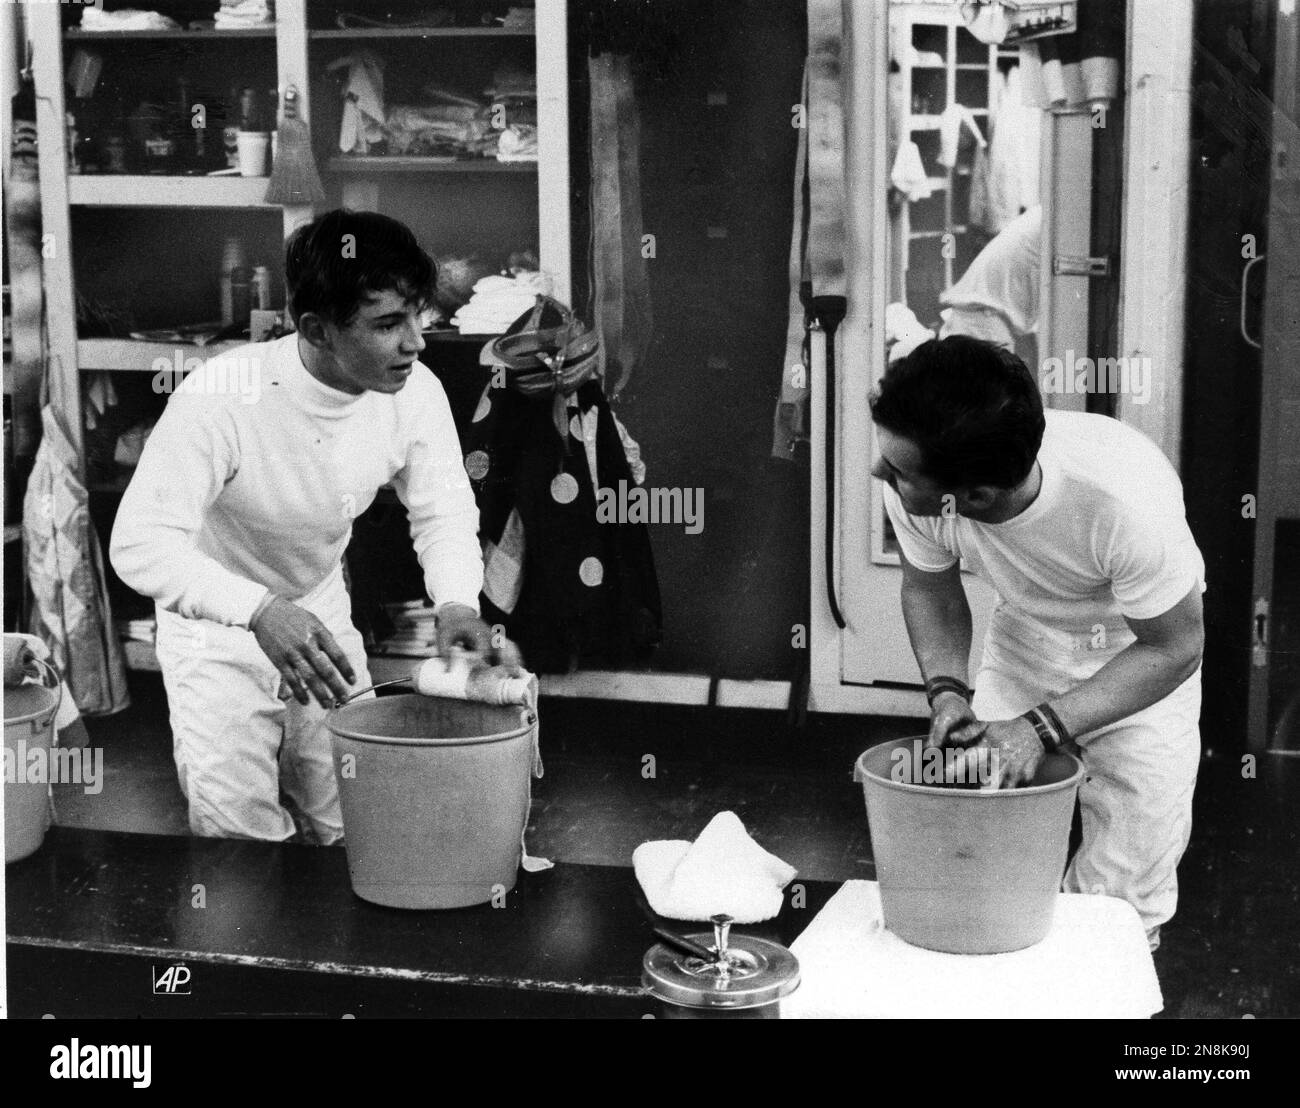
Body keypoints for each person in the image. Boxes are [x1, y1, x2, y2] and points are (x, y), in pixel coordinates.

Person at [111, 209, 516, 844]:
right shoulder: (222, 397)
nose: (416, 342)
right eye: (388, 325)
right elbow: (139, 543)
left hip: (321, 613)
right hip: (214, 635)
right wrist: (258, 611)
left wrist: (458, 601)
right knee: (238, 841)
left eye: (419, 317)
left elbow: (442, 509)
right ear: (316, 329)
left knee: (353, 818)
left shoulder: (416, 392)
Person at [869, 335, 1205, 948]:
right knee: (985, 850)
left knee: (1122, 900)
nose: (877, 472)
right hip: (1027, 640)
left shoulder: (1122, 502)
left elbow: (1175, 647)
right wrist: (947, 694)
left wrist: (1039, 729)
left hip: (1139, 660)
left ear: (972, 498)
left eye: (895, 469)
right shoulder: (921, 484)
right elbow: (931, 589)